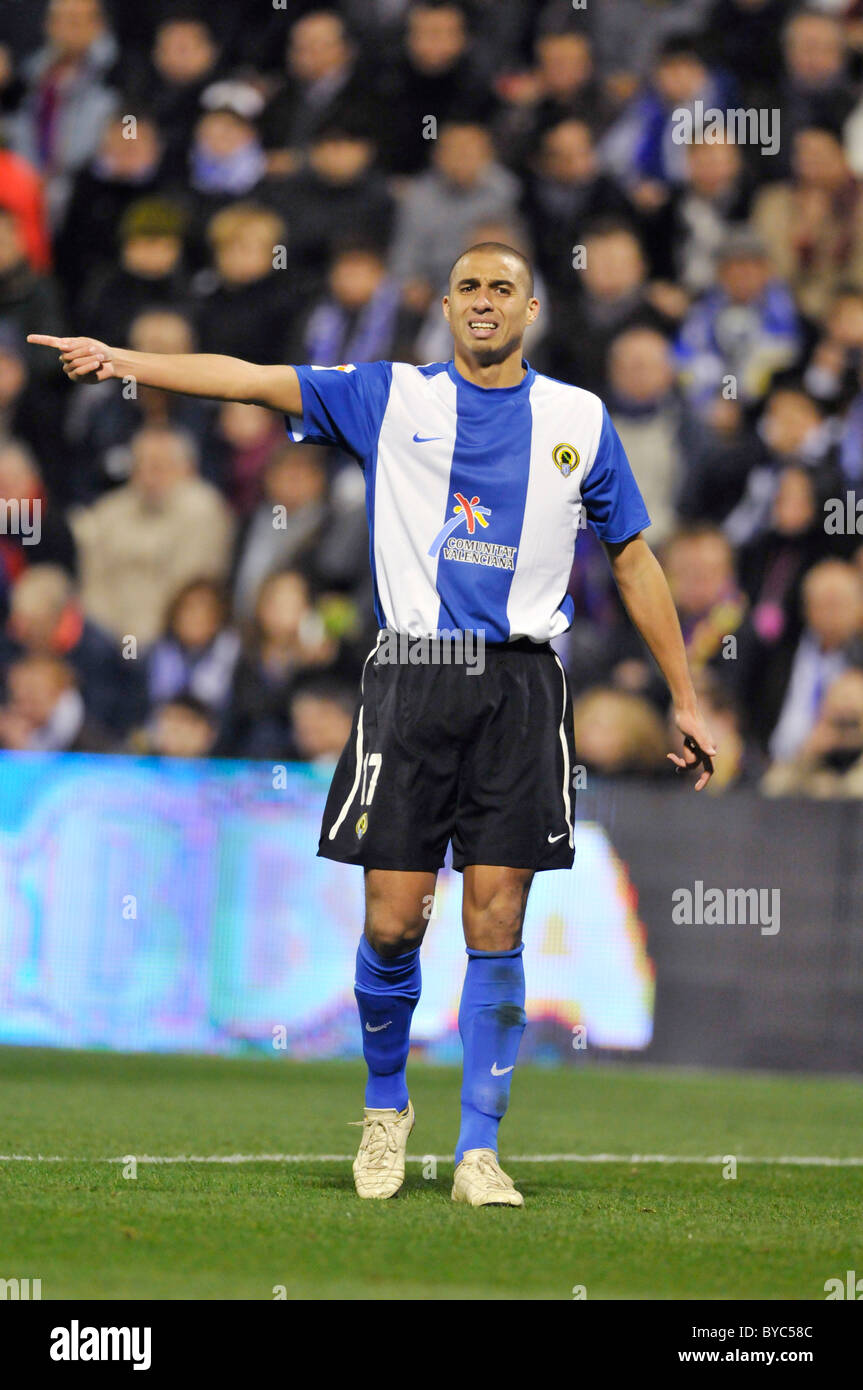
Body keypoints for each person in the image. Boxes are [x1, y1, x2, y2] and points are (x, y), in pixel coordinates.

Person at [28, 239, 716, 1208]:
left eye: (501, 289)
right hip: (412, 678)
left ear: (529, 311)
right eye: (467, 286)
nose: (482, 301)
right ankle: (385, 1107)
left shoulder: (578, 419)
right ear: (445, 305)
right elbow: (251, 381)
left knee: (497, 918)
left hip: (521, 687)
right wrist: (129, 362)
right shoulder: (390, 394)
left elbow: (635, 558)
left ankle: (478, 1148)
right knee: (394, 924)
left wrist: (682, 694)